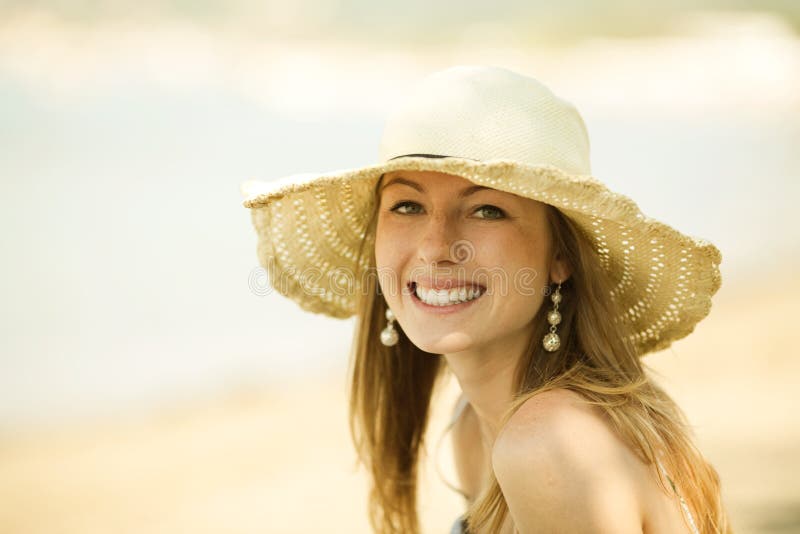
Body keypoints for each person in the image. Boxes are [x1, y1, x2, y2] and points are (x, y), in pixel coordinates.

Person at [241, 65, 732, 534]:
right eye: (407, 205)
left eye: (487, 210)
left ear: (561, 256)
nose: (436, 246)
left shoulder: (549, 443)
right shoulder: (475, 430)